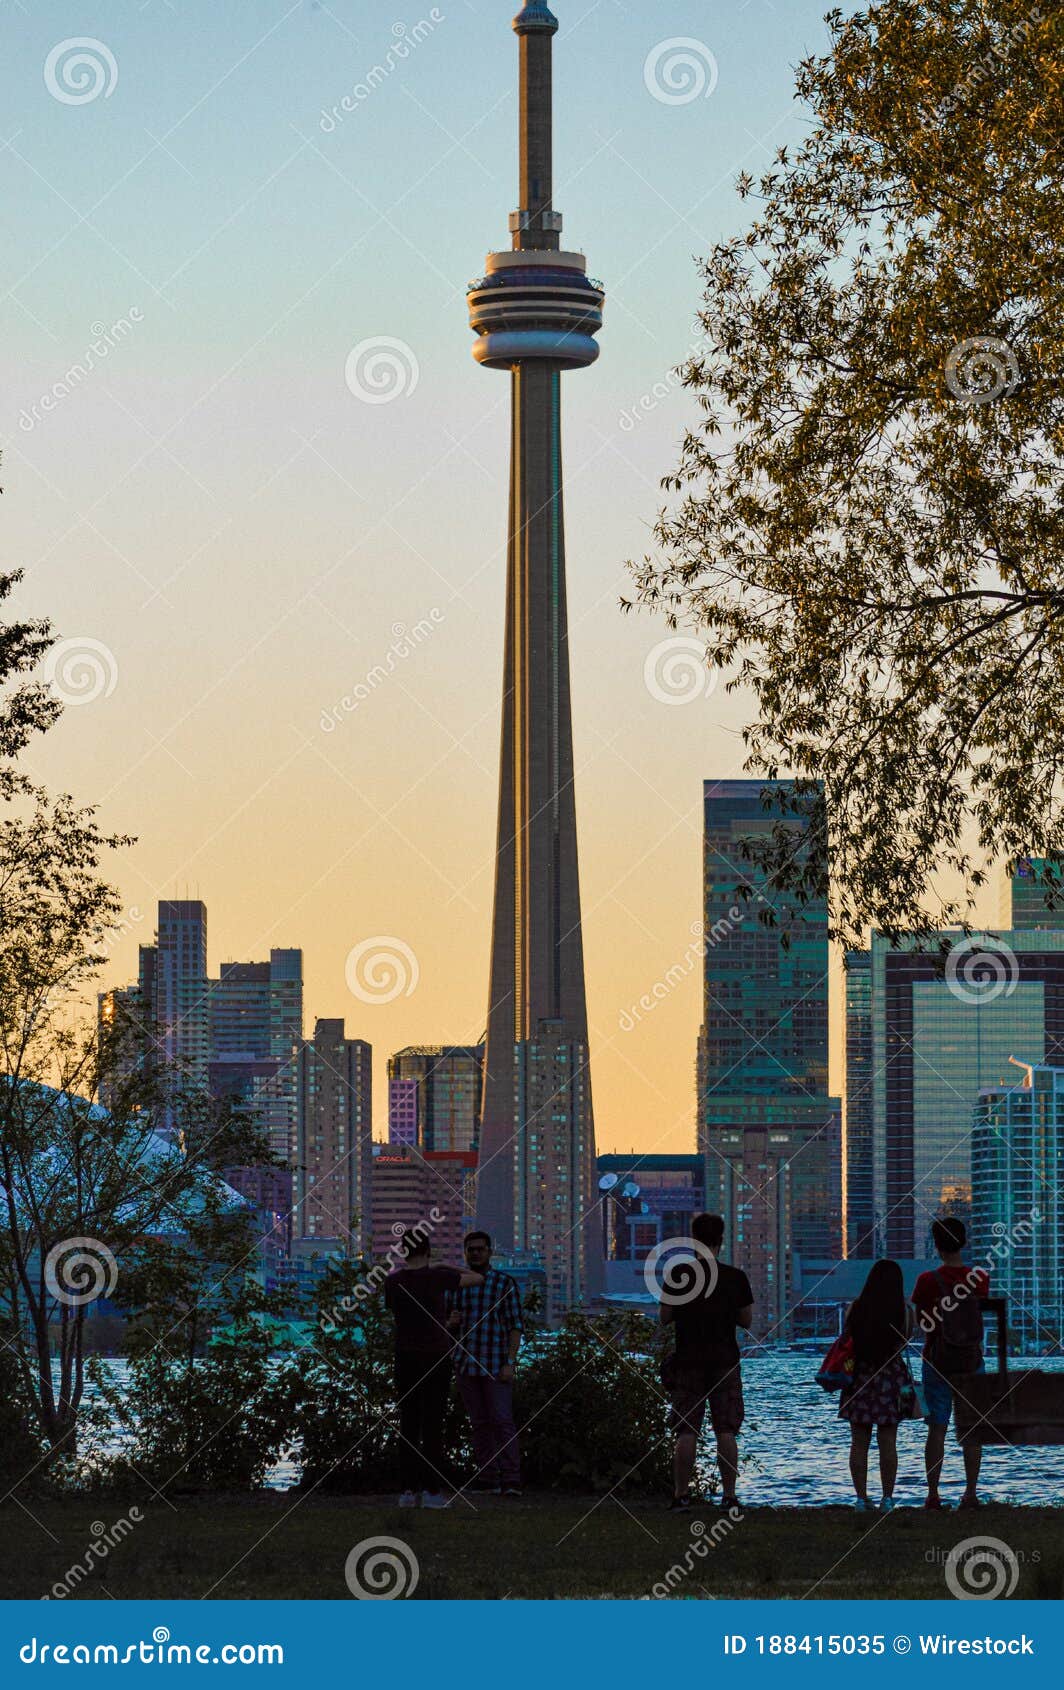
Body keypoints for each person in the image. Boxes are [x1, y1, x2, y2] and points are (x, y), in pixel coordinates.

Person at [383, 1225, 484, 1509]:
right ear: (427, 1250)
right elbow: (477, 1277)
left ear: (403, 1251)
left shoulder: (392, 1282)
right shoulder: (439, 1276)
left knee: (408, 1423)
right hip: (436, 1356)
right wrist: (442, 1265)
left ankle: (407, 1491)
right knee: (432, 1425)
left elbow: (395, 1312)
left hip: (405, 1356)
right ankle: (432, 1491)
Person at [660, 1212, 753, 1512]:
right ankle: (729, 1496)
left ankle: (680, 1495)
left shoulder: (678, 1275)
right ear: (721, 1241)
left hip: (688, 1361)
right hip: (725, 1361)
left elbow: (664, 1317)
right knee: (725, 1429)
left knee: (686, 1430)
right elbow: (747, 1320)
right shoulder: (735, 1278)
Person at [911, 1217, 989, 1511]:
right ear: (963, 1243)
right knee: (971, 1429)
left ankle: (933, 1494)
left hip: (936, 1359)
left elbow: (921, 1322)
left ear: (936, 1245)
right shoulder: (979, 1278)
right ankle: (970, 1494)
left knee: (937, 1428)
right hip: (971, 1360)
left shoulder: (927, 1281)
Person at [447, 1230, 525, 1496]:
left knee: (502, 1420)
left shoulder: (504, 1284)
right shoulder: (457, 1286)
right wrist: (451, 1323)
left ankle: (512, 1479)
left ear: (489, 1252)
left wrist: (510, 1362)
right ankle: (487, 1477)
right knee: (479, 1422)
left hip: (494, 1364)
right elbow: (445, 1324)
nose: (476, 1253)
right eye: (471, 1249)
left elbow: (515, 1325)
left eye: (480, 1249)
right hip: (466, 1364)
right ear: (465, 1253)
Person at [838, 1259, 915, 1512]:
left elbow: (847, 1341)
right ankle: (887, 1499)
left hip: (859, 1378)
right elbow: (904, 1343)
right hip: (892, 1379)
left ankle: (861, 1499)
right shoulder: (905, 1311)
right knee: (888, 1441)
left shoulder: (856, 1309)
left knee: (858, 1442)